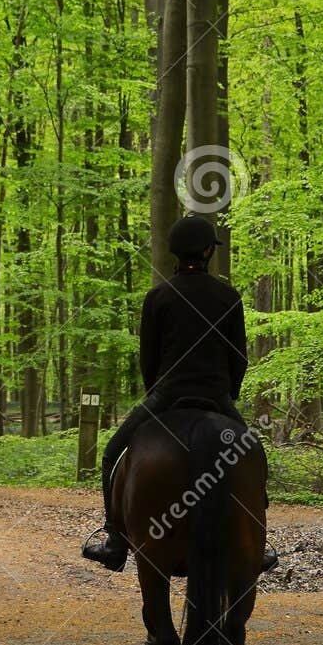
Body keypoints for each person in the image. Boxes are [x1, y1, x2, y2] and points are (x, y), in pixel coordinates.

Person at [81, 213, 277, 574]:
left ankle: (115, 541)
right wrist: (228, 393)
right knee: (256, 457)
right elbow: (239, 357)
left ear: (175, 252)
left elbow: (148, 358)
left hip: (166, 397)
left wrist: (155, 390)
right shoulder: (227, 296)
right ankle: (256, 543)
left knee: (111, 455)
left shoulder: (157, 296)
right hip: (216, 396)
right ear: (206, 251)